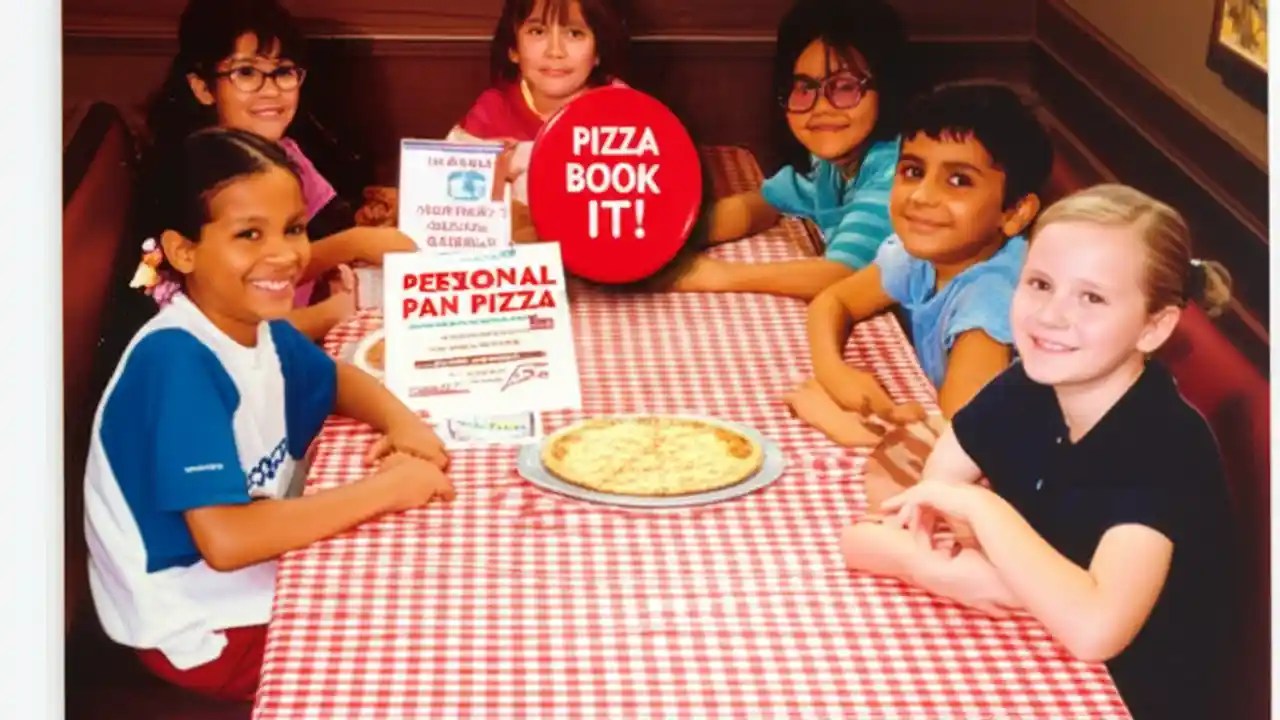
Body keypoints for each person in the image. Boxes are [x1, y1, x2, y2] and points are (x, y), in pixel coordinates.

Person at [841, 184, 1236, 720]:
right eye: (1040, 284)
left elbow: (1095, 629)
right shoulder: (1026, 386)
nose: (1051, 316)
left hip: (1124, 700)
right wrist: (936, 572)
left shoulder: (1167, 447)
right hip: (1022, 660)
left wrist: (983, 510)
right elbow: (893, 526)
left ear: (1154, 326)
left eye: (1092, 297)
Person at [85, 128, 454, 700]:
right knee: (419, 641)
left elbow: (335, 380)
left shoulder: (251, 326)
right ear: (183, 251)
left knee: (429, 572)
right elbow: (227, 541)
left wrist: (402, 423)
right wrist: (387, 489)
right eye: (248, 234)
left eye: (295, 229)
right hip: (201, 629)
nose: (284, 254)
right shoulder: (175, 362)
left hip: (245, 575)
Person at [786, 81, 1053, 447]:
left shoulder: (989, 302)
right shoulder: (925, 254)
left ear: (1015, 212)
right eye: (913, 172)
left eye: (959, 180)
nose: (923, 197)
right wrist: (835, 372)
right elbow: (833, 302)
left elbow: (962, 448)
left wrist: (839, 424)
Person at [132, 0, 417, 339]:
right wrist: (333, 303)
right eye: (246, 73)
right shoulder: (200, 179)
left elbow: (314, 236)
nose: (270, 91)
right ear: (203, 87)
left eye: (283, 72)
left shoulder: (284, 151)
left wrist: (367, 224)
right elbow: (225, 333)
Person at [670, 0, 911, 299]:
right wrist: (666, 236)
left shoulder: (898, 171)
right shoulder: (828, 166)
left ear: (887, 86)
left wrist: (714, 275)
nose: (822, 108)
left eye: (845, 87)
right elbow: (762, 205)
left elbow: (841, 275)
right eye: (804, 88)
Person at [448, 0, 630, 209]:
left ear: (598, 50)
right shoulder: (491, 113)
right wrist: (493, 175)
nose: (555, 51)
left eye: (575, 34)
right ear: (513, 48)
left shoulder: (624, 111)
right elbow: (452, 198)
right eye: (537, 32)